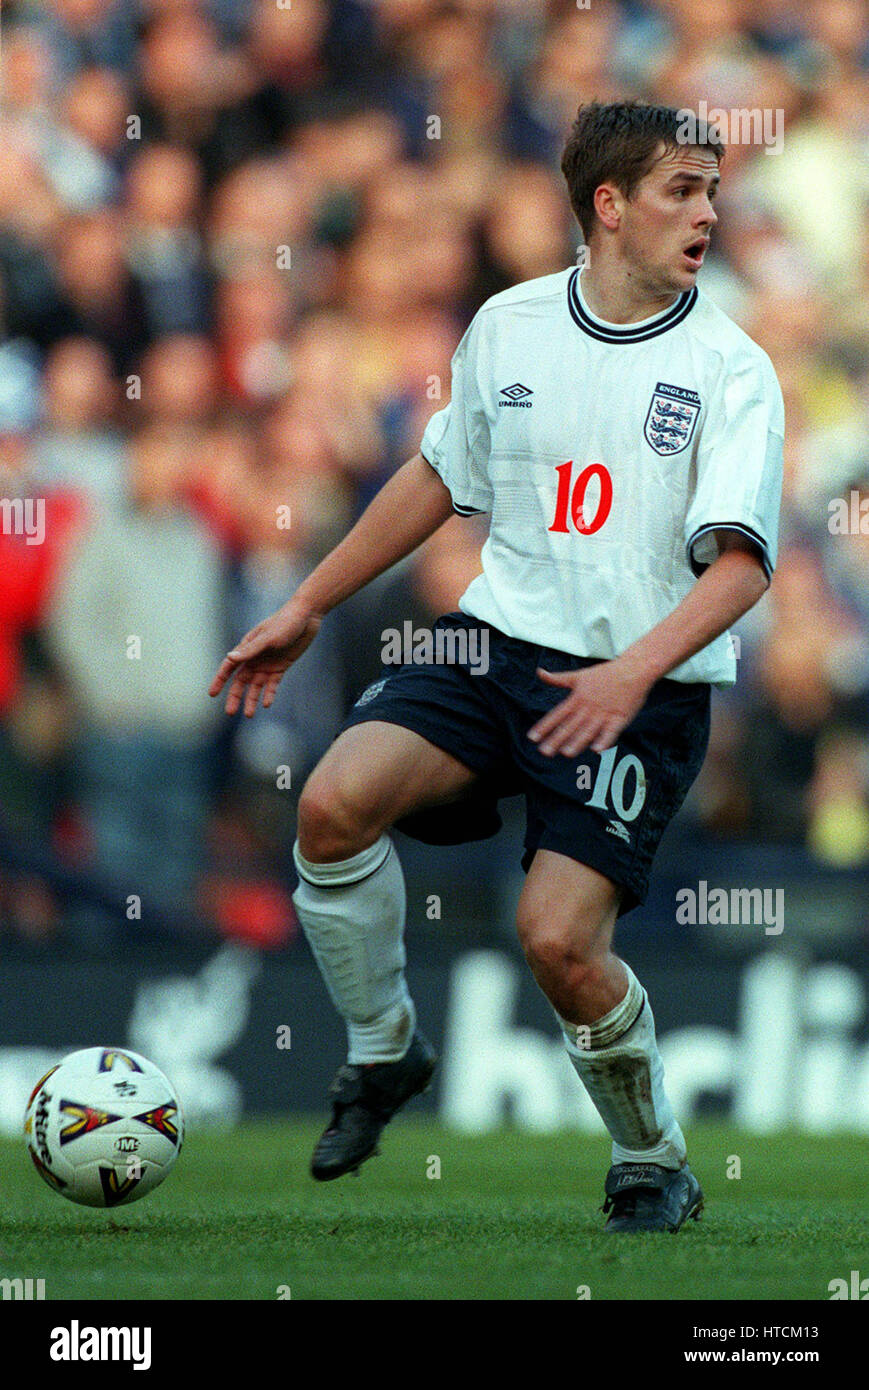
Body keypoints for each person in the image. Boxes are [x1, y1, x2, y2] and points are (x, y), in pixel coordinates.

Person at [210, 102, 783, 1233]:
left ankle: (649, 1156)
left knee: (556, 942)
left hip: (639, 689)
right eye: (682, 189)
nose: (707, 212)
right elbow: (436, 476)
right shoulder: (510, 325)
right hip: (495, 650)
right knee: (328, 804)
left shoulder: (731, 368)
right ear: (607, 206)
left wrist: (627, 674)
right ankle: (383, 1054)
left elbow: (738, 571)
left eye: (712, 191)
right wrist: (308, 604)